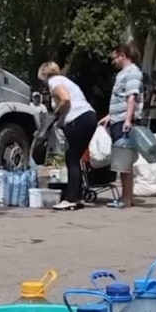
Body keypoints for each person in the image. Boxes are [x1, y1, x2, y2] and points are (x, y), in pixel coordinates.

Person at [37, 61, 96, 211]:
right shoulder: (65, 80)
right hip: (89, 116)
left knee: (72, 159)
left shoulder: (54, 81)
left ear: (44, 74)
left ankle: (70, 199)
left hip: (78, 119)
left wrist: (54, 115)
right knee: (74, 157)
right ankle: (77, 196)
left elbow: (65, 99)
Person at [98, 44, 144, 208]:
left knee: (124, 160)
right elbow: (121, 98)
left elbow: (131, 97)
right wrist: (110, 116)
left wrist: (127, 120)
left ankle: (127, 197)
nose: (113, 61)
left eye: (115, 57)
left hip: (124, 121)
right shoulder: (123, 74)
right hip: (118, 119)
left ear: (123, 56)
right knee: (122, 160)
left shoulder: (132, 73)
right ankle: (126, 196)